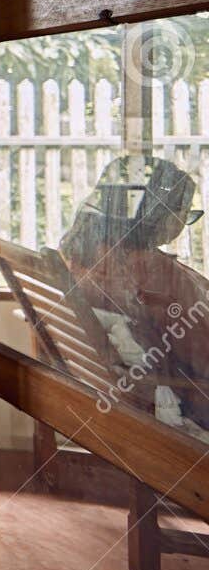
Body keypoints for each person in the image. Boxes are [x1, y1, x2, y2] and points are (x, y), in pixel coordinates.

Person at [59, 155, 209, 431]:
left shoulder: (80, 259)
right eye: (185, 213)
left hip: (105, 405)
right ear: (159, 213)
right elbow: (202, 358)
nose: (183, 223)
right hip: (179, 405)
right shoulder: (157, 272)